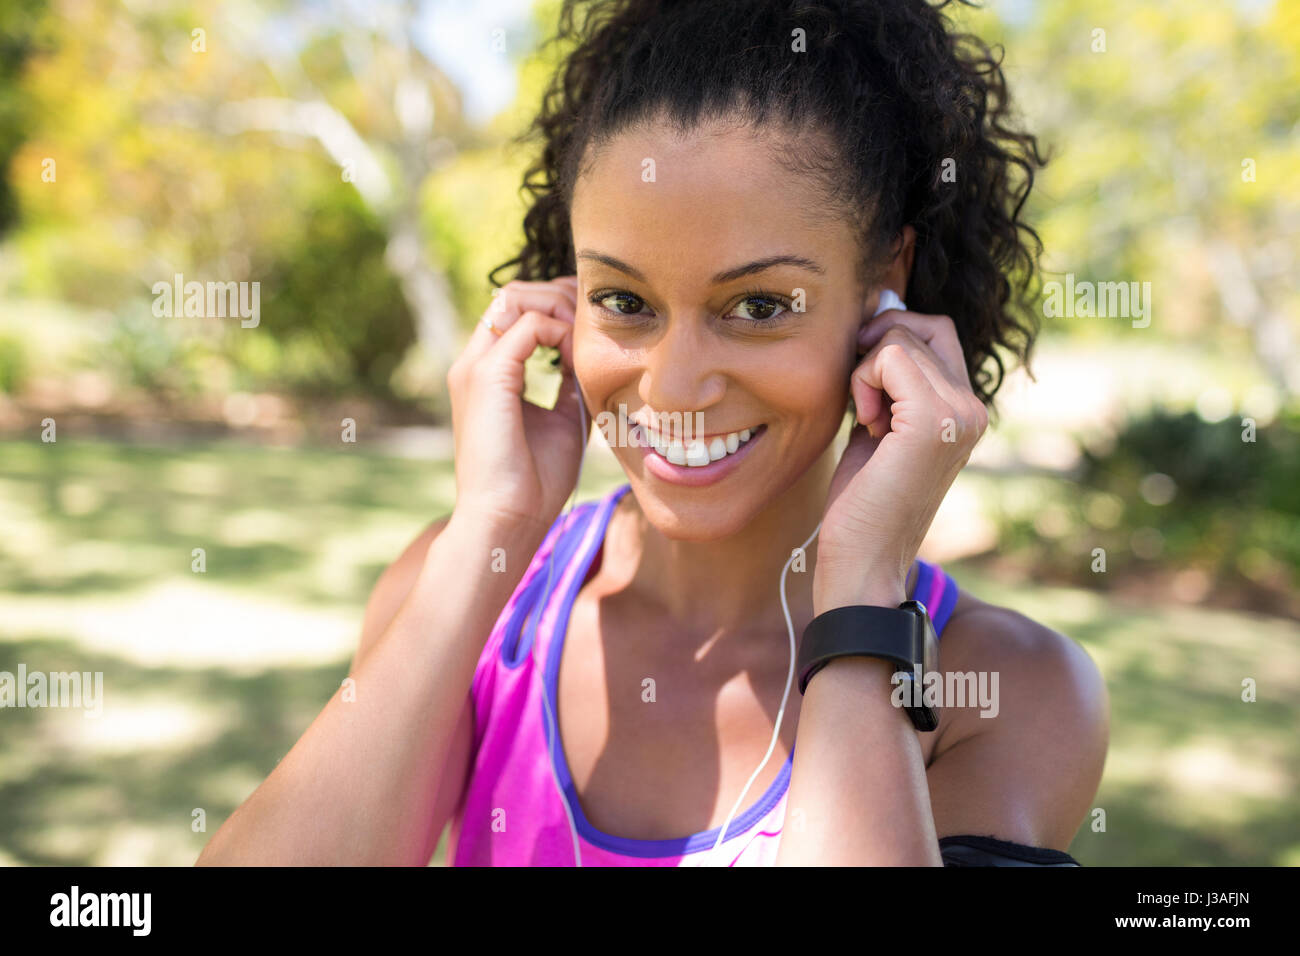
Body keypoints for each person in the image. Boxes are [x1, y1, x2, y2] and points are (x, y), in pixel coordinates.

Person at [197, 0, 1108, 867]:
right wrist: (489, 530)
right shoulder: (466, 591)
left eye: (757, 305)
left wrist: (862, 592)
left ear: (888, 287)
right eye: (624, 301)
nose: (670, 384)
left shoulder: (1007, 690)